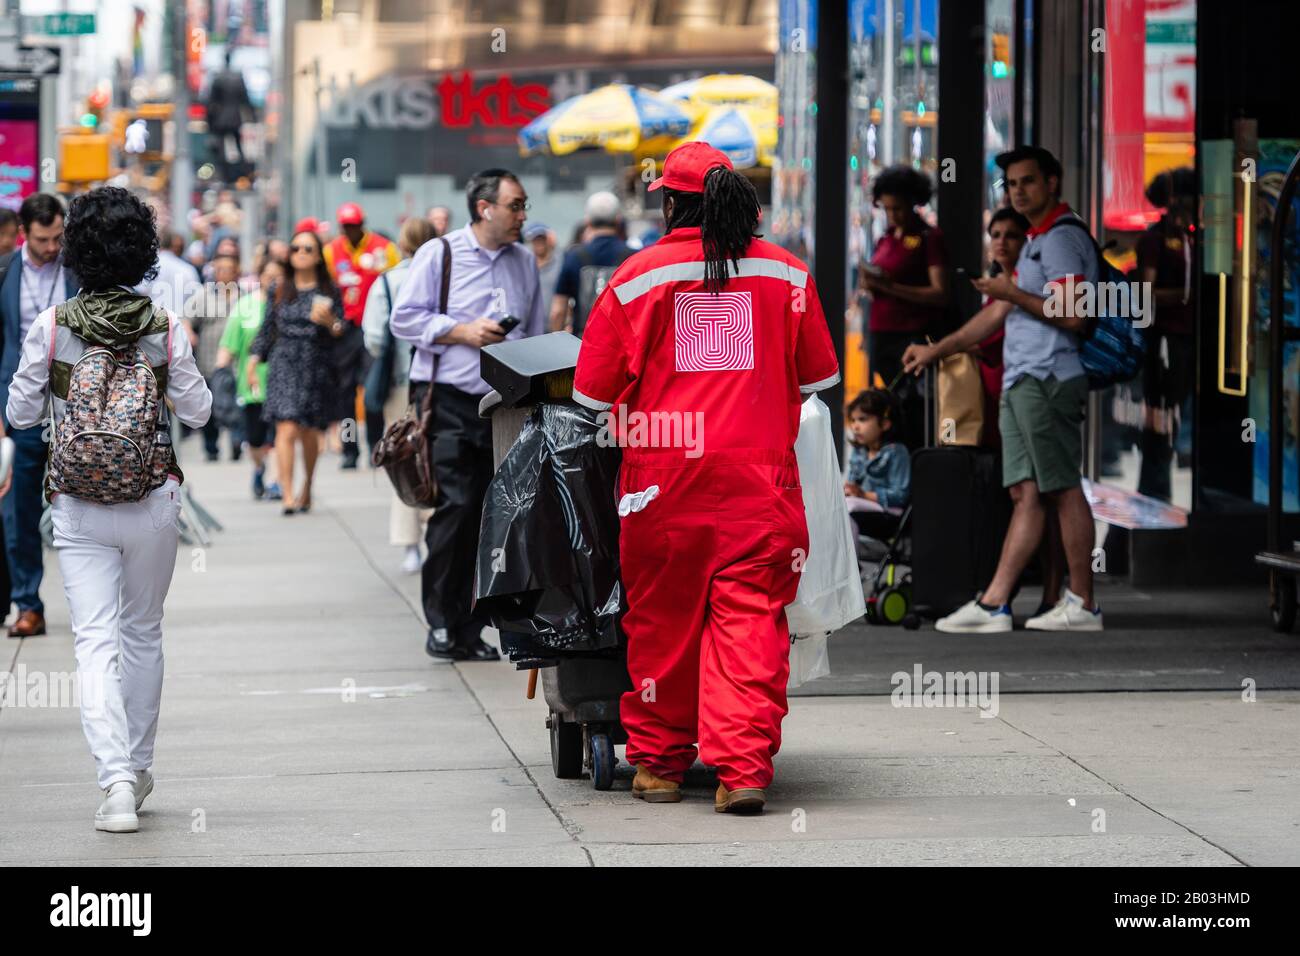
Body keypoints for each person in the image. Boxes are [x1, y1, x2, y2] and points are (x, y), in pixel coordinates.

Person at [572, 142, 840, 814]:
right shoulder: (788, 275)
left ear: (670, 203)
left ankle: (660, 767)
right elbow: (818, 381)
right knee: (750, 626)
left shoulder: (635, 277)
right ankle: (742, 772)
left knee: (663, 623)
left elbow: (593, 397)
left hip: (661, 487)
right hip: (760, 486)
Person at [4, 186, 212, 832]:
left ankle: (116, 783)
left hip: (77, 501)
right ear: (142, 252)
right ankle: (141, 766)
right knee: (143, 630)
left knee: (93, 642)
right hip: (152, 495)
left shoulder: (53, 326)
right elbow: (201, 411)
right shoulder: (164, 327)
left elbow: (18, 414)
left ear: (76, 251)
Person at [917, 145, 1103, 633]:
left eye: (1028, 181)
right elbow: (996, 314)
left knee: (1061, 488)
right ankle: (996, 602)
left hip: (1048, 380)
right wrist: (937, 351)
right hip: (1025, 382)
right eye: (1011, 184)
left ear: (1052, 182)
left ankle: (1083, 603)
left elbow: (1074, 315)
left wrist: (1011, 292)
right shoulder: (1039, 239)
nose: (1018, 191)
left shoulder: (1061, 239)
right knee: (1026, 493)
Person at [390, 167, 546, 661]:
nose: (523, 215)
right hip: (452, 400)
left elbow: (537, 330)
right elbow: (404, 318)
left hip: (508, 405)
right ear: (485, 208)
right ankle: (441, 623)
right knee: (456, 509)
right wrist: (462, 332)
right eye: (515, 205)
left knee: (496, 516)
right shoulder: (442, 253)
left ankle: (474, 627)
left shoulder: (524, 261)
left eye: (523, 206)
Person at [0, 193, 79, 638]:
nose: (53, 247)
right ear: (23, 234)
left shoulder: (78, 272)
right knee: (18, 511)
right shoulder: (5, 273)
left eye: (58, 237)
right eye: (44, 239)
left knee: (83, 507)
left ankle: (89, 599)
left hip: (75, 409)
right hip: (19, 411)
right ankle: (28, 603)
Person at [246, 229, 346, 515]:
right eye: (296, 248)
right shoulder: (278, 288)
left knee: (310, 431)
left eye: (307, 249)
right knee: (286, 427)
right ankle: (288, 493)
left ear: (317, 256)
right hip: (284, 362)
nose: (301, 253)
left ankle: (308, 486)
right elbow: (267, 330)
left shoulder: (329, 290)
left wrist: (330, 323)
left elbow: (341, 331)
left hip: (315, 362)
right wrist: (253, 362)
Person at [363, 216, 438, 573]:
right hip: (441, 381)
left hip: (399, 382)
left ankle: (409, 543)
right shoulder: (447, 278)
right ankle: (435, 532)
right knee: (437, 454)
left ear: (402, 244)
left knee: (404, 454)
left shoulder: (388, 282)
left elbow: (374, 337)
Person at [859, 165, 949, 450]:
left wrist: (890, 288)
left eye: (898, 208)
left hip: (911, 336)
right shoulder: (886, 237)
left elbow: (940, 293)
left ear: (914, 203)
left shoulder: (928, 238)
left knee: (911, 411)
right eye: (886, 209)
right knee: (887, 409)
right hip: (881, 333)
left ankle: (916, 471)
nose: (893, 215)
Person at [1135, 167, 1196, 502]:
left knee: (1175, 418)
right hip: (1165, 339)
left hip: (1189, 339)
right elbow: (1147, 291)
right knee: (1161, 420)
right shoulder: (1156, 240)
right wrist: (1184, 296)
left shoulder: (1191, 237)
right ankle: (1154, 493)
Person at [323, 202, 399, 469]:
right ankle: (349, 451)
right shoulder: (331, 251)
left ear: (362, 223)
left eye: (354, 225)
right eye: (346, 226)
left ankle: (375, 447)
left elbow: (397, 279)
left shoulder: (383, 248)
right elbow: (326, 288)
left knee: (372, 390)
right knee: (345, 393)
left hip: (374, 329)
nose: (350, 230)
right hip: (344, 332)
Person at [217, 256, 285, 500]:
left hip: (283, 384)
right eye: (269, 275)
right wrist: (220, 372)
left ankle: (277, 482)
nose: (273, 280)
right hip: (252, 386)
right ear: (260, 278)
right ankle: (259, 467)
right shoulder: (245, 307)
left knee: (280, 437)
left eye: (278, 275)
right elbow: (228, 346)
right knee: (255, 440)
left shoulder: (288, 305)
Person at [551, 191, 632, 334]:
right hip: (622, 347)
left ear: (587, 221)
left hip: (582, 345)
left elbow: (558, 311)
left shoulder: (573, 257)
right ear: (618, 220)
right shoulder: (633, 257)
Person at [844, 388, 911, 541]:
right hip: (860, 506)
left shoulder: (897, 452)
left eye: (862, 419)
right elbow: (852, 483)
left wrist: (863, 494)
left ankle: (851, 563)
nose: (855, 426)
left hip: (888, 513)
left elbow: (901, 496)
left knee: (845, 510)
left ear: (885, 423)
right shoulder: (859, 451)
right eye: (853, 420)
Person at [198, 253, 243, 461]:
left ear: (236, 272)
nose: (224, 273)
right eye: (220, 269)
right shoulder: (203, 296)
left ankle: (236, 443)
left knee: (236, 407)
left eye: (229, 269)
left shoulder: (244, 297)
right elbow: (187, 321)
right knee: (209, 408)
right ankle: (211, 447)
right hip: (208, 364)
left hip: (236, 365)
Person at [524, 222, 561, 306]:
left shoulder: (559, 262)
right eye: (535, 239)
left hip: (553, 317)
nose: (539, 242)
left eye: (542, 239)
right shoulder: (524, 265)